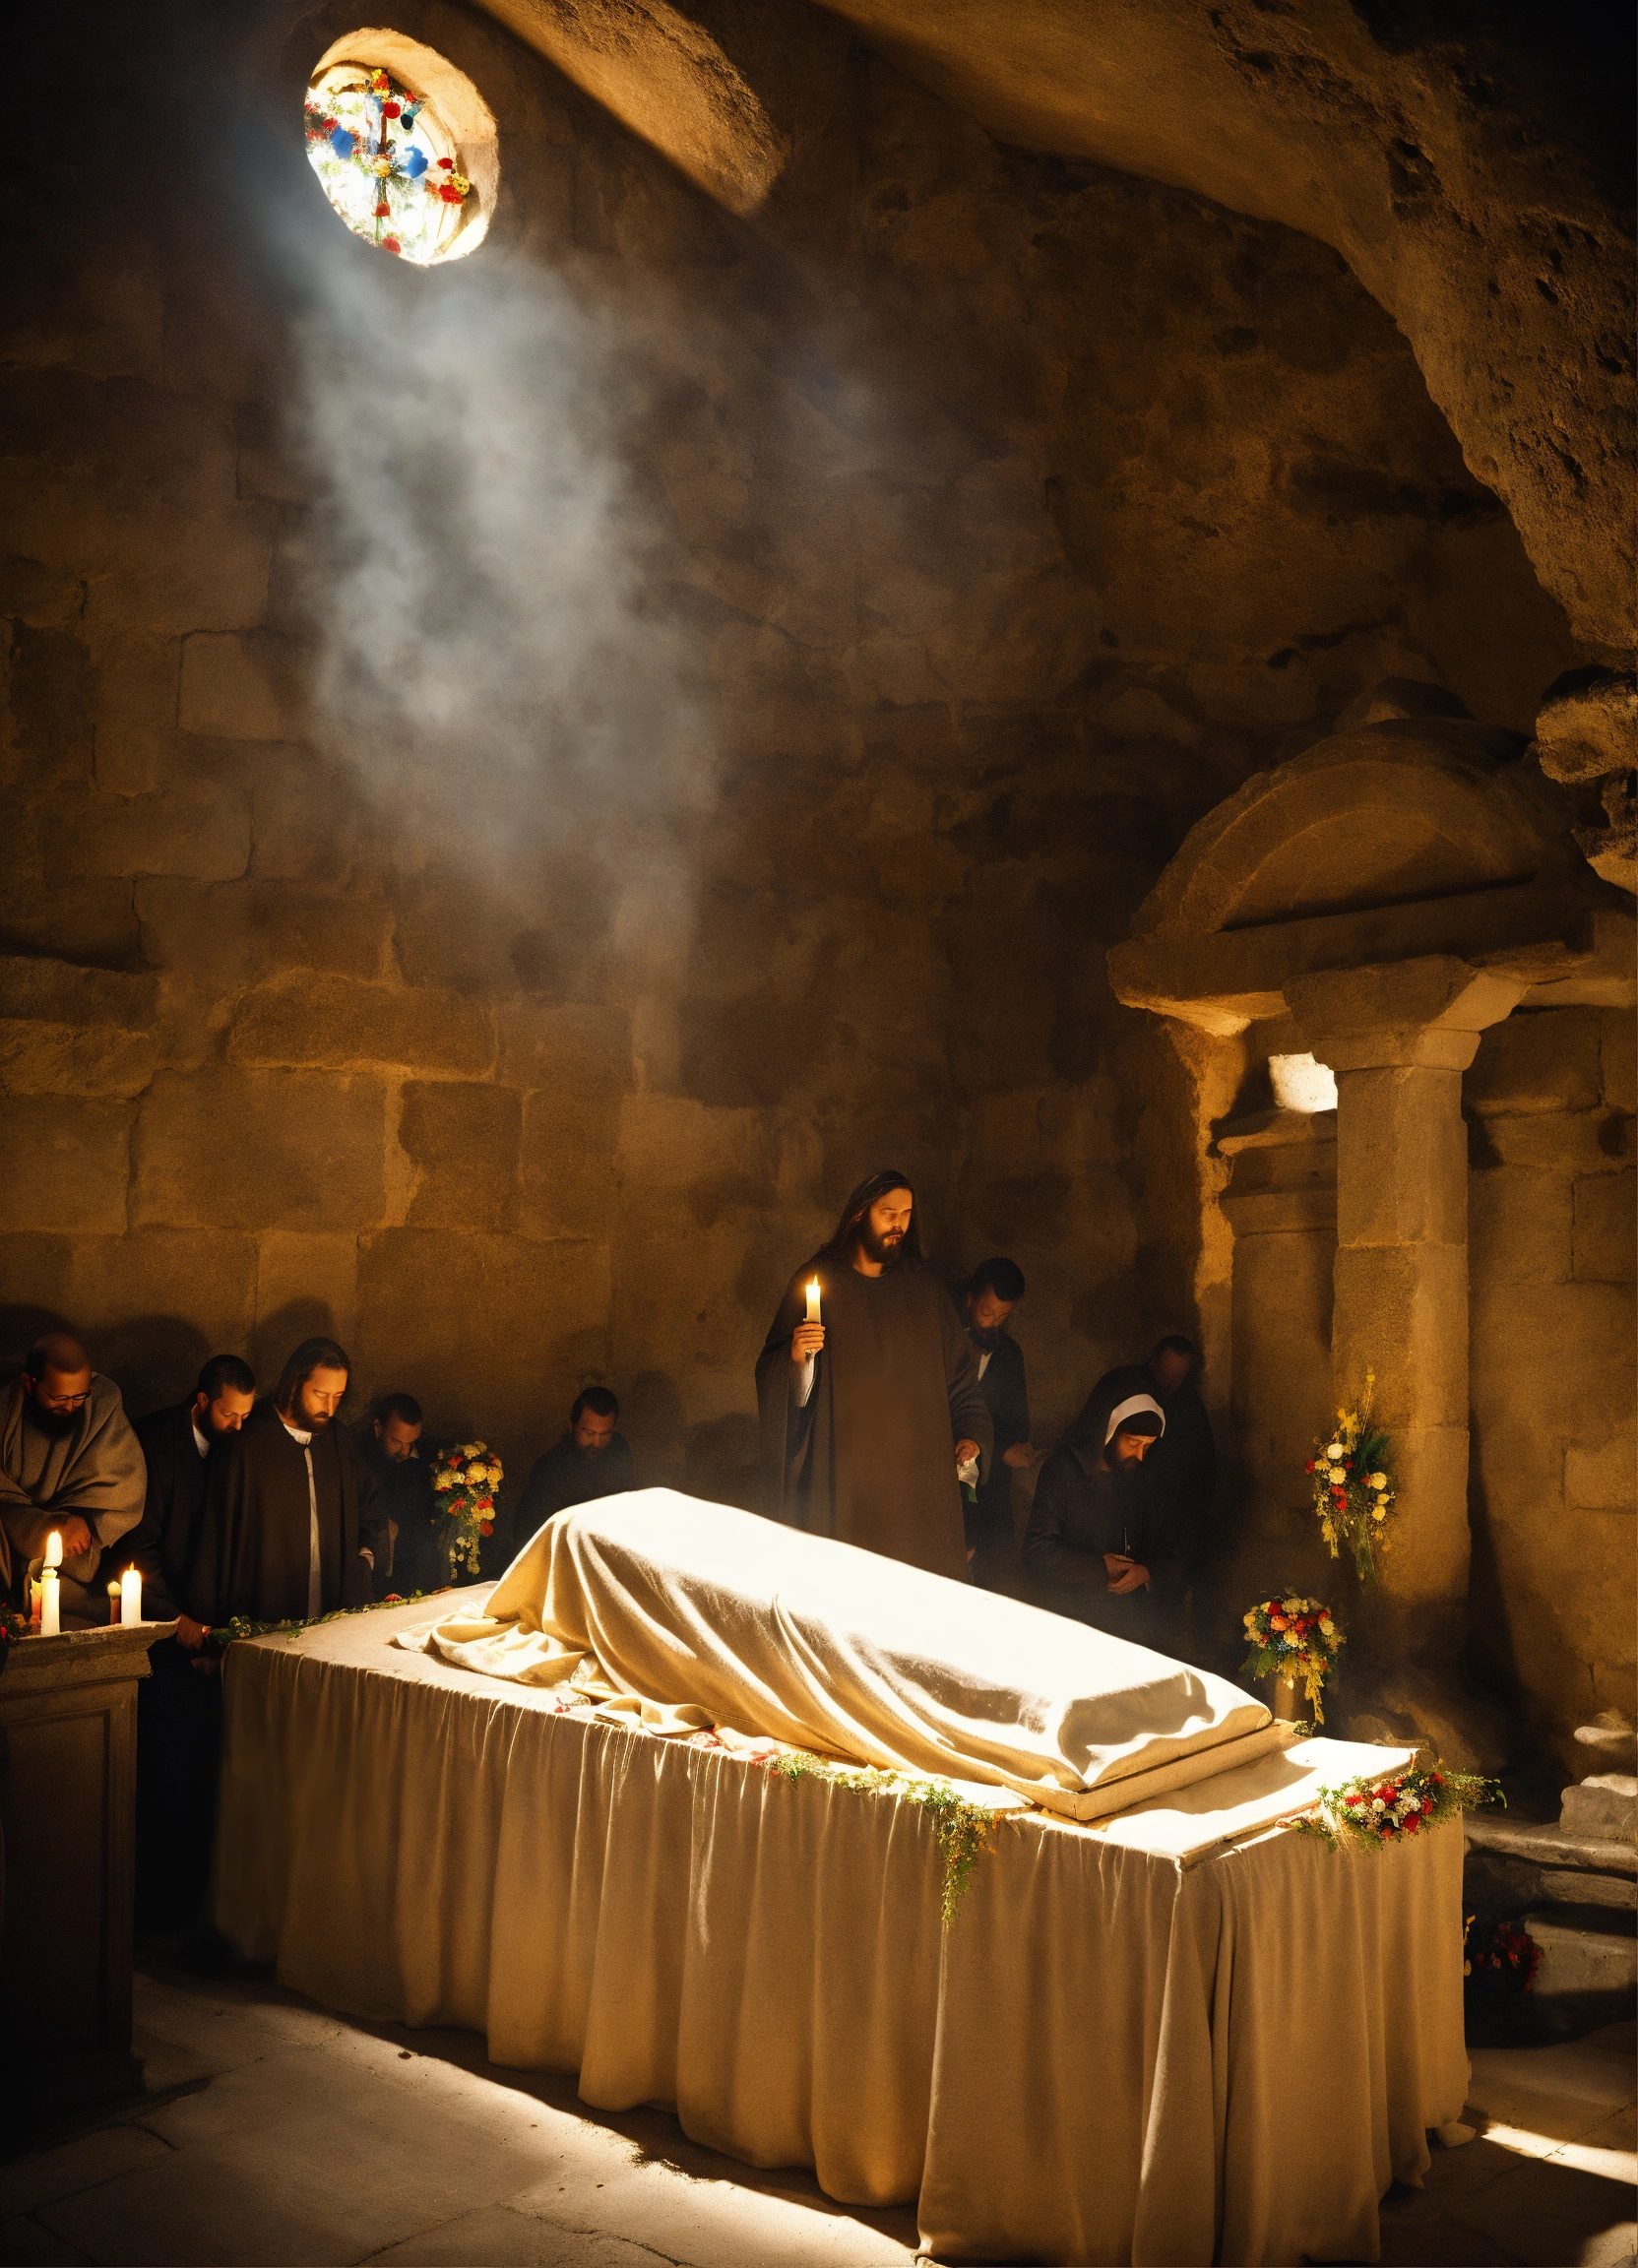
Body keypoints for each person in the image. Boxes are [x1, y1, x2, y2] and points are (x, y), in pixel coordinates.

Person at [756, 1168, 991, 1582]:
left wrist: (971, 1432)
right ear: (860, 1214)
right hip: (846, 1479)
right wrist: (798, 1359)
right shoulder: (818, 1280)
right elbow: (775, 1379)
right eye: (888, 1213)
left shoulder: (926, 1292)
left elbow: (960, 1380)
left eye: (906, 1214)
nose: (899, 1224)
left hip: (916, 1490)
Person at [130, 1354, 256, 1928]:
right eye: (229, 1415)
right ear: (200, 1402)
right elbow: (140, 1545)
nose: (238, 1427)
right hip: (164, 1630)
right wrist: (176, 1619)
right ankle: (158, 1909)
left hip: (213, 1630)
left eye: (245, 1416)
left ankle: (197, 1906)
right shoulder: (156, 1443)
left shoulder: (237, 1445)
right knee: (167, 1770)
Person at [187, 1338, 381, 1626]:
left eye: (338, 1396)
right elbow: (215, 1534)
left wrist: (364, 1557)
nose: (329, 1407)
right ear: (293, 1384)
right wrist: (202, 1618)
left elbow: (368, 1504)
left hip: (329, 1612)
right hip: (264, 1612)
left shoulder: (339, 1440)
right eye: (320, 1394)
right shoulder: (248, 1442)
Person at [1022, 1364, 1187, 1650]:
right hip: (1073, 1624)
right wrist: (1100, 1569)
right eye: (1133, 1442)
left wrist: (1148, 1573)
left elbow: (1175, 1547)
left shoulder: (1146, 1473)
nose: (1140, 1454)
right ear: (1108, 1432)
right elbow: (1038, 1550)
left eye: (1147, 1446)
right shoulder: (1065, 1470)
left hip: (1134, 1630)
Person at [0, 1332, 146, 1621]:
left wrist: (83, 1520)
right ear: (30, 1383)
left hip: (75, 1555)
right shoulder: (5, 1414)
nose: (69, 1407)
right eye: (58, 1398)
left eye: (79, 1397)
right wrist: (46, 1525)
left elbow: (125, 1485)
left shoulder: (102, 1408)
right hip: (11, 1538)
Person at [957, 1257, 1040, 1584]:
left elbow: (1017, 1422)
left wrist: (1014, 1449)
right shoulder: (942, 1344)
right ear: (969, 1300)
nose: (993, 1323)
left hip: (988, 1485)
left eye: (1003, 1316)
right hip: (941, 1474)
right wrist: (996, 1448)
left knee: (993, 1566)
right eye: (986, 1313)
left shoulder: (1009, 1354)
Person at [514, 1389, 635, 1542]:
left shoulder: (618, 1450)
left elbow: (629, 1507)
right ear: (572, 1426)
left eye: (605, 1434)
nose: (597, 1443)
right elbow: (526, 1534)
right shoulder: (549, 1469)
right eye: (589, 1433)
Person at [1144, 1335, 1218, 1578]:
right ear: (1153, 1362)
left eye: (1177, 1378)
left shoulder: (1190, 1408)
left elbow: (1204, 1469)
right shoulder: (1134, 1390)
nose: (1169, 1384)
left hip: (1172, 1520)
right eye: (1165, 1375)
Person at [354, 1392, 438, 1595]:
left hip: (417, 1566)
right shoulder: (359, 1459)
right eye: (396, 1442)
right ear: (377, 1428)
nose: (405, 1451)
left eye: (411, 1442)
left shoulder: (428, 1453)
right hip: (379, 1572)